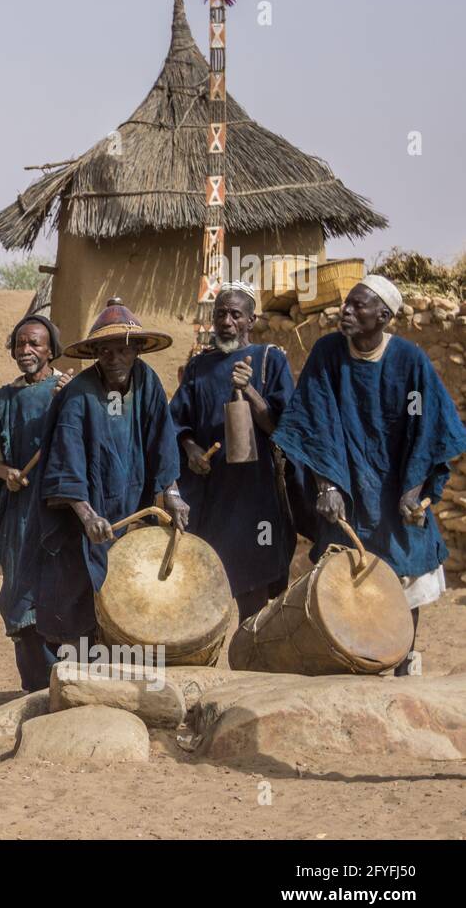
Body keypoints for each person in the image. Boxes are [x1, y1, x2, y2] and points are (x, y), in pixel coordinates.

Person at [272, 275, 466, 675]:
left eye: (358, 305)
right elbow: (314, 419)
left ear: (384, 316)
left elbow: (429, 426)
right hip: (345, 487)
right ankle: (355, 658)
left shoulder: (408, 361)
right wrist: (326, 485)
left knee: (405, 569)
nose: (346, 311)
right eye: (347, 304)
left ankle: (403, 657)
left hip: (396, 487)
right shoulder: (327, 354)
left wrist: (413, 490)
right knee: (347, 576)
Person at [21, 299, 187, 683]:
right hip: (85, 520)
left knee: (135, 594)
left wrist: (173, 494)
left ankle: (127, 686)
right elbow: (66, 461)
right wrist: (87, 514)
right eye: (105, 351)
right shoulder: (79, 394)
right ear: (95, 354)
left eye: (124, 349)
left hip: (134, 510)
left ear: (138, 350)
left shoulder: (149, 384)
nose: (114, 358)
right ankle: (80, 688)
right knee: (82, 600)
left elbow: (163, 447)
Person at [169, 283, 301, 621]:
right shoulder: (199, 367)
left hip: (255, 492)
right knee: (206, 581)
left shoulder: (270, 358)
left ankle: (250, 662)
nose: (226, 322)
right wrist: (191, 449)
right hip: (211, 491)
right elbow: (175, 421)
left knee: (254, 583)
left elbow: (283, 428)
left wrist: (250, 391)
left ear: (251, 321)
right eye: (219, 315)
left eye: (235, 315)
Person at [0, 315, 73, 691]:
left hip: (62, 509)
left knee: (63, 590)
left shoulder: (69, 389)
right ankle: (34, 687)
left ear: (51, 349)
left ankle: (67, 688)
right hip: (21, 515)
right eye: (20, 344)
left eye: (34, 343)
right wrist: (8, 474)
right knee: (21, 594)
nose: (26, 350)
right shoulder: (0, 403)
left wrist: (71, 398)